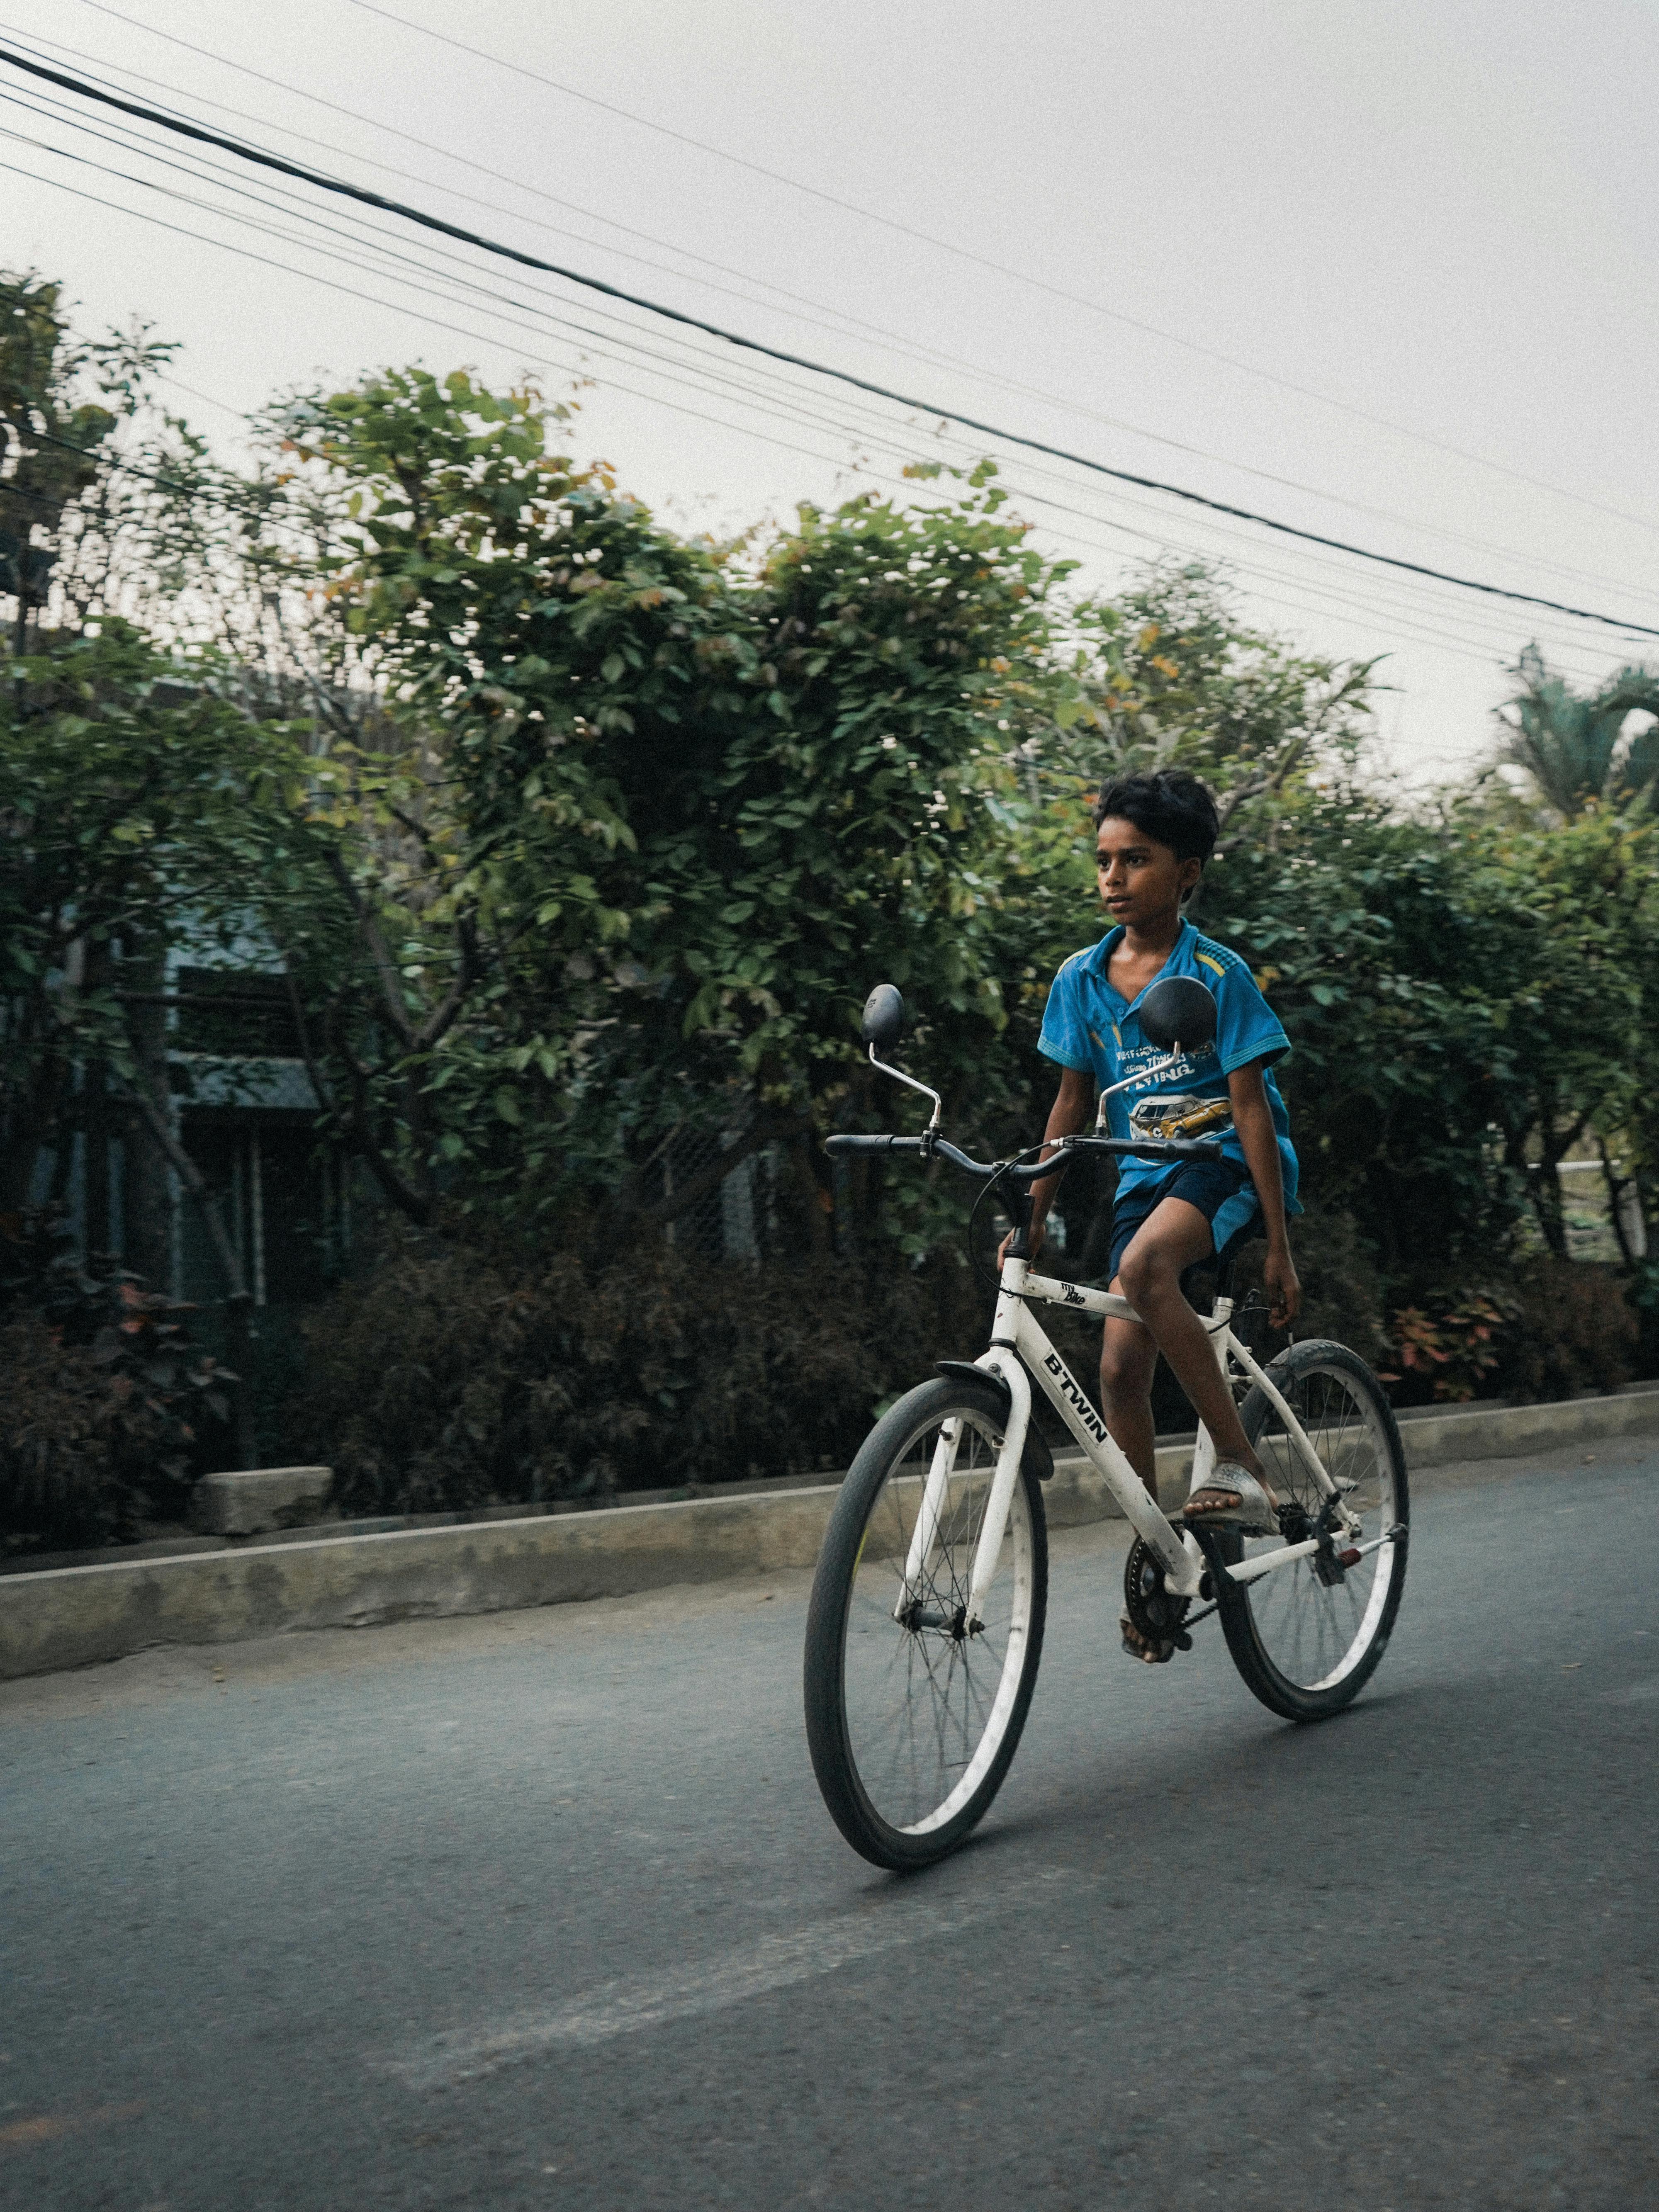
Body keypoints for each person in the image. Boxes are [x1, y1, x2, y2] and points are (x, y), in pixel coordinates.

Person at [1015, 767, 1302, 1663]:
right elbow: (1069, 1105)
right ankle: (1157, 1554)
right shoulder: (1080, 977)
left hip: (1220, 1166)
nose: (1110, 878)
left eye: (1133, 860)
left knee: (1143, 1276)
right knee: (1115, 1370)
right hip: (1140, 1181)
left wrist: (1278, 1243)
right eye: (1101, 860)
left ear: (1185, 872)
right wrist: (1029, 1220)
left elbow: (1250, 1106)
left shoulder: (1215, 973)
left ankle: (1240, 1466)